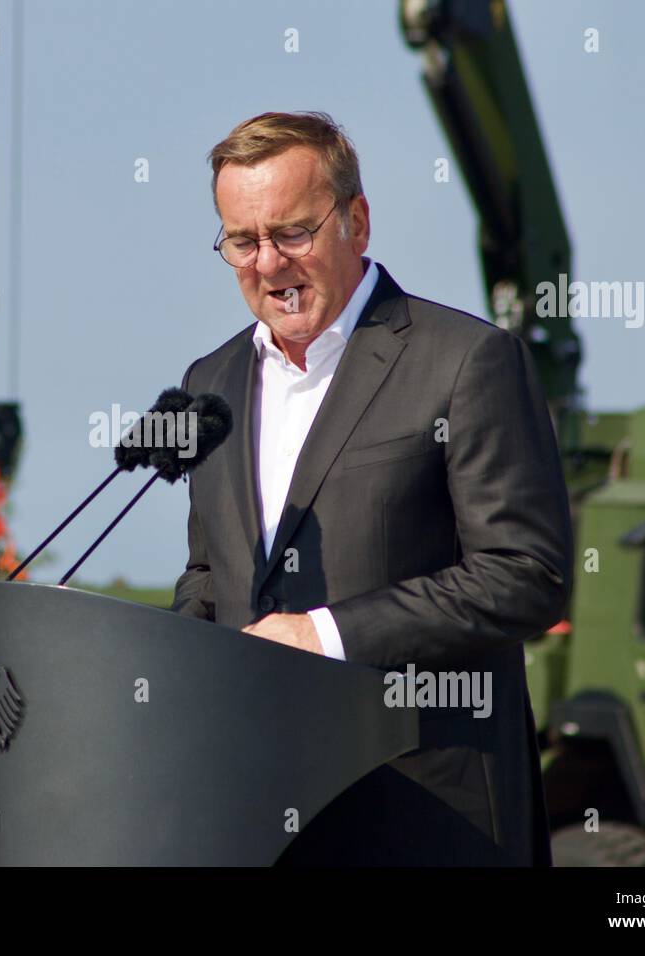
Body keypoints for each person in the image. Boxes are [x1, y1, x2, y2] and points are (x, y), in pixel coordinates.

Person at [172, 111, 573, 865]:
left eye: (292, 233)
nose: (268, 263)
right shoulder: (210, 383)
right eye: (242, 241)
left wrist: (322, 636)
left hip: (426, 821)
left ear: (356, 221)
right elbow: (210, 576)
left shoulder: (466, 362)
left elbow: (528, 576)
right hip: (256, 824)